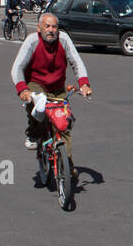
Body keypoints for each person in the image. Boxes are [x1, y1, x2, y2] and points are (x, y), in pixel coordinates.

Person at [11, 12, 92, 152]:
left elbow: (76, 62)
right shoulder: (32, 41)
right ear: (39, 28)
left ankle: (67, 167)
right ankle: (33, 133)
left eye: (54, 27)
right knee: (39, 104)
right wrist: (23, 90)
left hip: (57, 87)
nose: (51, 30)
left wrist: (84, 84)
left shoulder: (63, 39)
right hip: (36, 83)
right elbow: (17, 67)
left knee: (63, 124)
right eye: (47, 26)